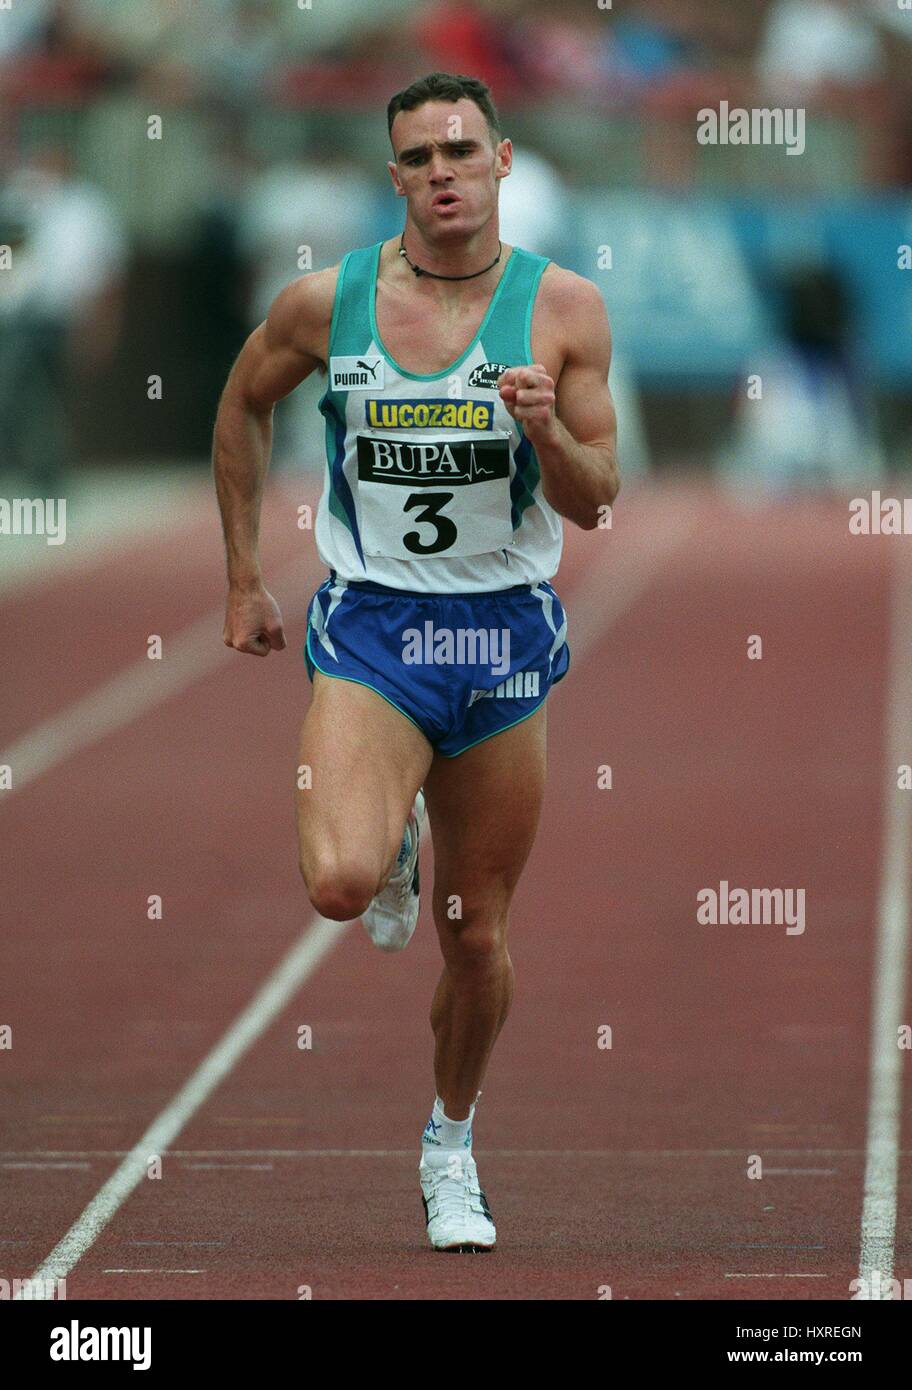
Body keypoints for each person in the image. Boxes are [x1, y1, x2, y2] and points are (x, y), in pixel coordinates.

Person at [213, 71, 619, 1253]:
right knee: (341, 882)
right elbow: (242, 406)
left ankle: (451, 1144)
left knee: (476, 934)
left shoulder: (566, 312)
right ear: (394, 177)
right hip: (378, 632)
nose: (443, 171)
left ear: (503, 161)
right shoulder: (326, 303)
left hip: (499, 638)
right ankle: (385, 827)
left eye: (461, 149)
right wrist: (244, 573)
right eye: (419, 157)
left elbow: (601, 499)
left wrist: (545, 428)